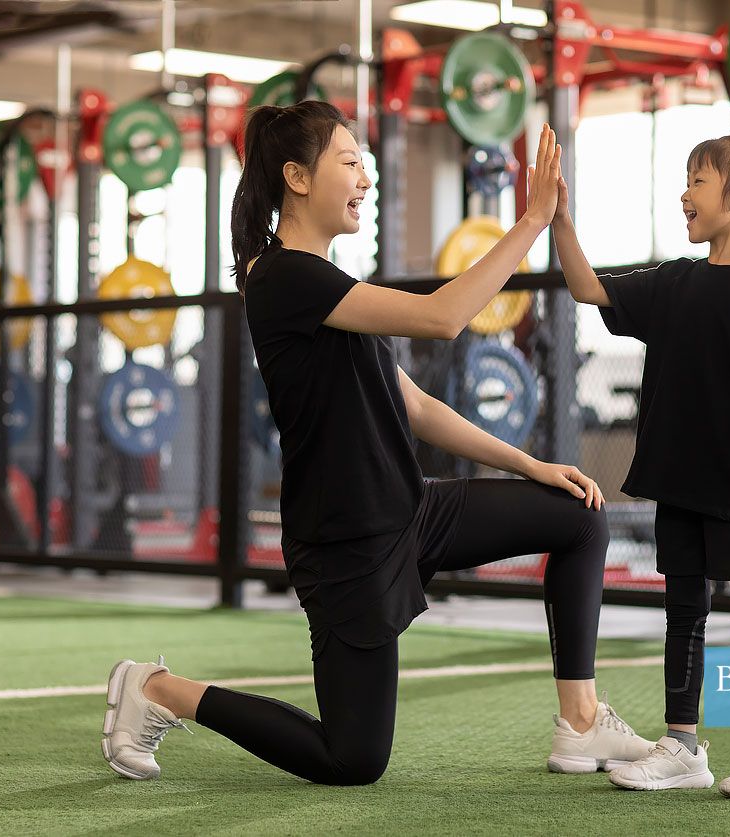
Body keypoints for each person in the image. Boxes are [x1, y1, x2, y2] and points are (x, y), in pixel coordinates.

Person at [100, 101, 652, 785]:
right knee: (352, 758)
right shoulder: (282, 278)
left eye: (365, 163)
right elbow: (443, 316)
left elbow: (413, 403)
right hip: (347, 537)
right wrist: (532, 221)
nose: (366, 179)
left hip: (410, 509)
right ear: (297, 178)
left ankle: (579, 720)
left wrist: (529, 463)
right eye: (351, 162)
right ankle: (157, 688)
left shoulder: (331, 288)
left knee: (577, 515)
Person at [551, 132, 730, 798]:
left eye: (696, 181)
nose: (683, 193)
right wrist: (555, 217)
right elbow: (586, 287)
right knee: (683, 609)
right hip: (679, 482)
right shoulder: (674, 282)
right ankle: (680, 744)